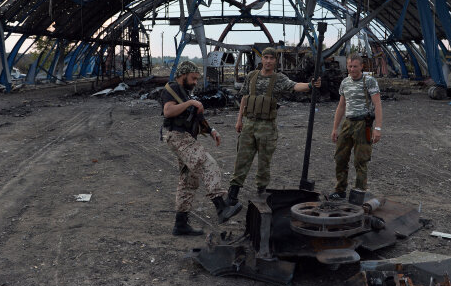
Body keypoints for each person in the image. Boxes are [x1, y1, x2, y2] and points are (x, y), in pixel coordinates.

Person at [227, 47, 321, 205]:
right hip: (249, 124)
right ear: (261, 59)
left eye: (272, 58)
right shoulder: (251, 76)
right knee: (242, 159)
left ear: (276, 61)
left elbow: (295, 86)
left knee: (264, 161)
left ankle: (261, 191)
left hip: (267, 126)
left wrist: (310, 85)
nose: (268, 61)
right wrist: (239, 120)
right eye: (266, 57)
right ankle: (232, 194)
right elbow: (245, 97)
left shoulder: (279, 79)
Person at [161, 60, 242, 236]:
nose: (196, 82)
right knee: (207, 163)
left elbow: (194, 118)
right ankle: (221, 207)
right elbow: (168, 111)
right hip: (177, 136)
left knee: (189, 180)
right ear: (183, 76)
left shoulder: (186, 93)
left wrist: (211, 130)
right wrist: (190, 103)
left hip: (185, 136)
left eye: (197, 79)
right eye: (193, 78)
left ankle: (180, 224)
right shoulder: (172, 89)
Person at [330, 53, 383, 199]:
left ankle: (359, 192)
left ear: (361, 66)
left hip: (363, 124)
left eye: (355, 66)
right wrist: (335, 128)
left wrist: (377, 128)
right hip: (348, 123)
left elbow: (377, 105)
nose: (352, 69)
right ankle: (340, 190)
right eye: (349, 66)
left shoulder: (369, 81)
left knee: (361, 160)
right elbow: (341, 106)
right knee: (340, 157)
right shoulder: (345, 82)